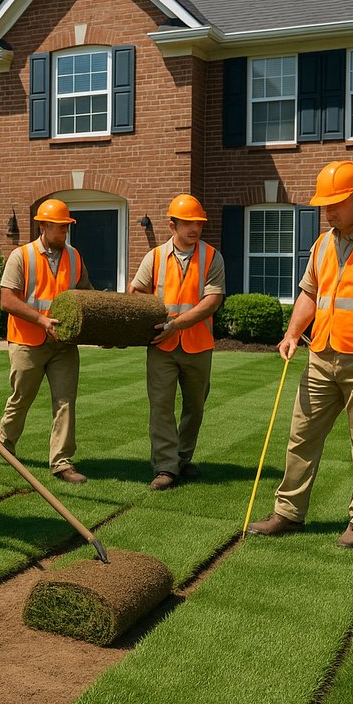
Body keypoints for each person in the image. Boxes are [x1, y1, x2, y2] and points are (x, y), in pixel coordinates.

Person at [246, 161, 353, 548]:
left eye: (336, 203)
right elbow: (310, 294)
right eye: (324, 204)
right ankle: (288, 513)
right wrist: (292, 333)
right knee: (300, 437)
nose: (328, 211)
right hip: (320, 355)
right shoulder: (322, 243)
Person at [129, 194, 225, 491]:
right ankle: (166, 467)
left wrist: (176, 325)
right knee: (161, 406)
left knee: (194, 407)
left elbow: (212, 301)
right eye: (188, 223)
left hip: (198, 344)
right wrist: (154, 319)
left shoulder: (212, 257)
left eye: (198, 223)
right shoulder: (154, 257)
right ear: (172, 225)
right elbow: (136, 292)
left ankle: (182, 458)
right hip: (162, 346)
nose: (195, 229)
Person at [0, 199, 92, 484]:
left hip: (63, 345)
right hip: (27, 340)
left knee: (65, 401)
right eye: (59, 226)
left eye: (67, 226)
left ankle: (62, 462)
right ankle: (5, 443)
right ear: (42, 225)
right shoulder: (21, 256)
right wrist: (41, 320)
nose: (64, 231)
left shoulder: (75, 257)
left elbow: (86, 297)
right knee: (21, 398)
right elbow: (7, 300)